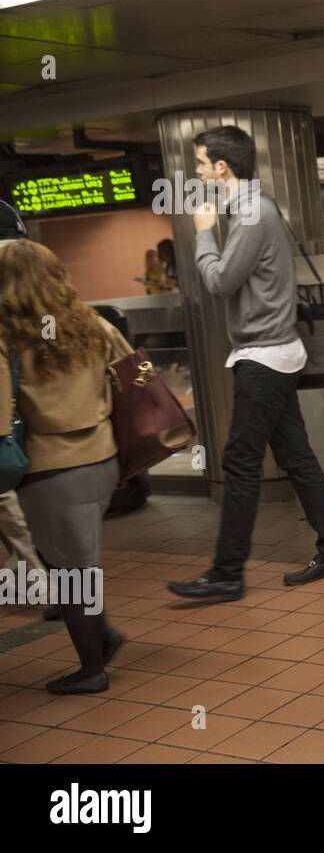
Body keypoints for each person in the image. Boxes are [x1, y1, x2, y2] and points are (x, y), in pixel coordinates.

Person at [168, 125, 324, 602]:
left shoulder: (249, 212)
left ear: (222, 168)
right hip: (274, 352)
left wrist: (203, 235)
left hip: (265, 357)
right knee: (296, 456)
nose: (197, 172)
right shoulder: (252, 207)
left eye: (202, 164)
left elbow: (220, 281)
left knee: (241, 460)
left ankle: (227, 572)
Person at [0, 240, 133, 694]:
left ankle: (92, 669)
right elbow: (136, 375)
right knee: (78, 562)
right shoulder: (93, 323)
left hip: (51, 469)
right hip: (103, 459)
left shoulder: (10, 336)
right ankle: (106, 636)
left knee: (69, 573)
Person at [0, 207, 46, 589]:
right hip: (30, 410)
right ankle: (26, 567)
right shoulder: (33, 283)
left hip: (15, 414)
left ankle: (41, 575)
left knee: (7, 496)